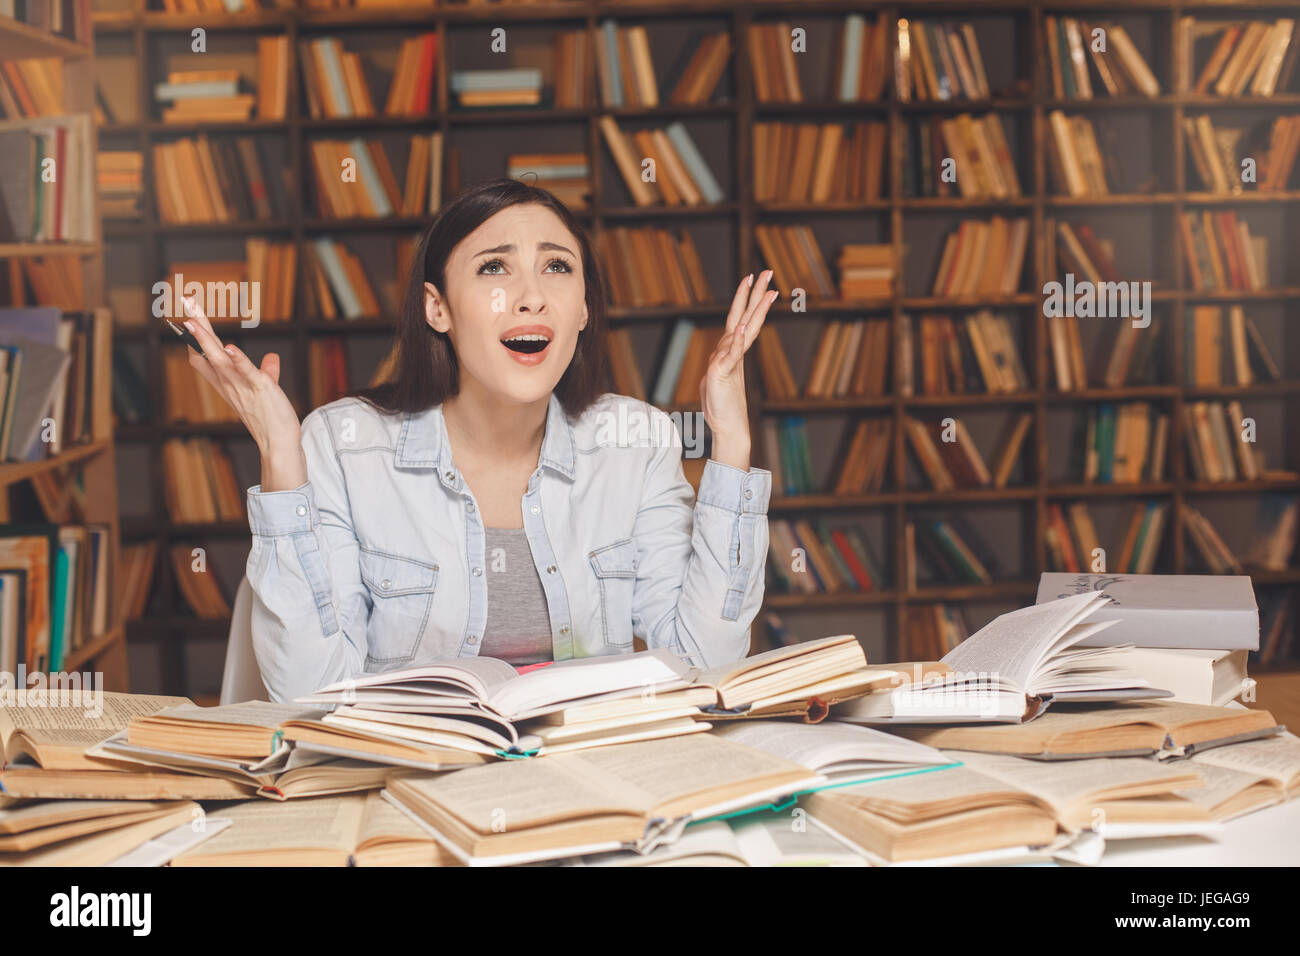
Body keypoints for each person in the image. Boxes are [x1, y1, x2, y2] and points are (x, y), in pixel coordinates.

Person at [181, 178, 776, 703]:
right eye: (494, 268)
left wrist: (730, 441)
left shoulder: (635, 442)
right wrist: (282, 459)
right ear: (436, 308)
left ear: (583, 310)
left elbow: (705, 663)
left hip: (582, 775)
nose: (531, 295)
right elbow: (310, 692)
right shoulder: (343, 445)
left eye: (557, 267)